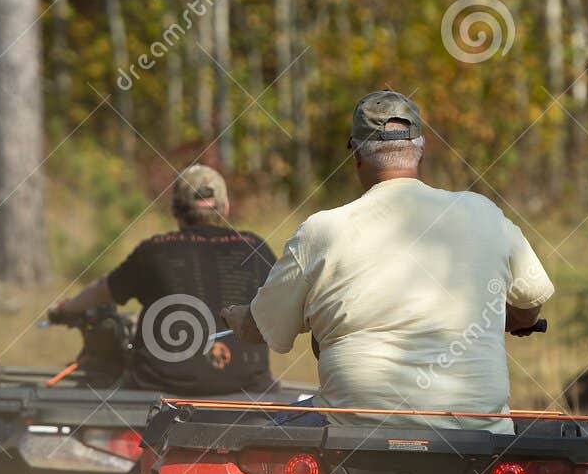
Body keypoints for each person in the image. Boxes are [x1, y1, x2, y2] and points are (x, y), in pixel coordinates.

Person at [222, 90, 554, 429]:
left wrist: (236, 318)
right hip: (479, 436)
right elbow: (532, 298)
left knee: (262, 437)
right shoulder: (484, 213)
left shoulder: (321, 231)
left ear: (357, 157)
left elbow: (260, 328)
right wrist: (514, 319)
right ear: (420, 150)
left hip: (350, 433)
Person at [49, 164, 275, 397]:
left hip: (162, 392)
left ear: (175, 210)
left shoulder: (154, 250)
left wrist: (65, 309)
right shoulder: (256, 247)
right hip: (249, 390)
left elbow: (104, 290)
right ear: (225, 208)